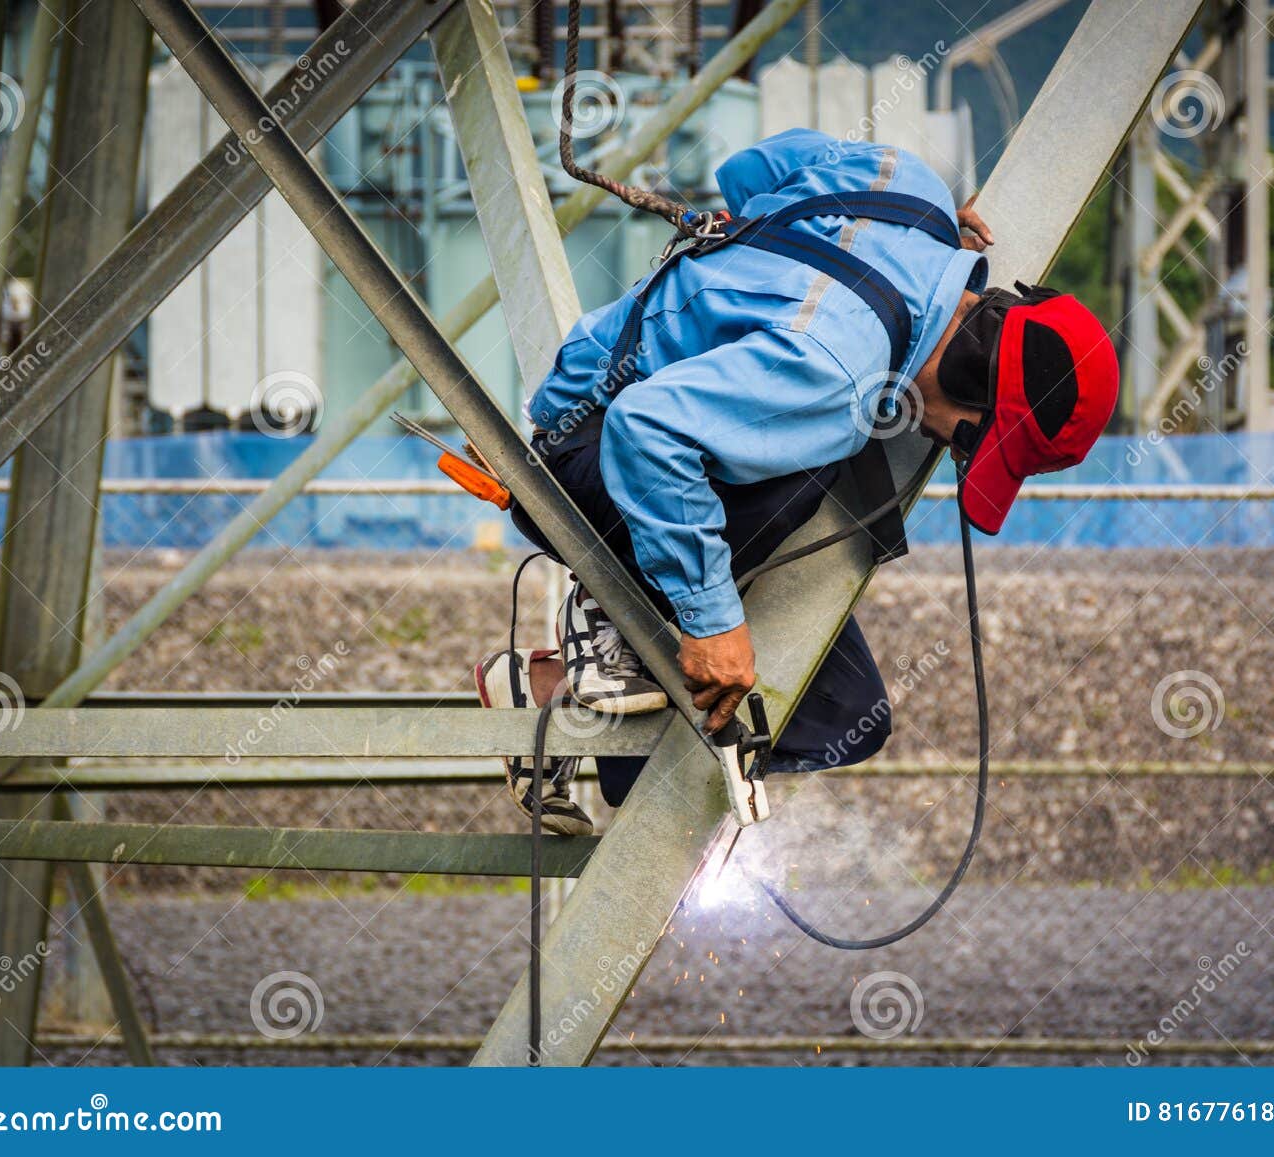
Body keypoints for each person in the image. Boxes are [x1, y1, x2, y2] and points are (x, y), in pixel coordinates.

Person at [476, 129, 1117, 835]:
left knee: (849, 715)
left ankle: (555, 692)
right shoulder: (838, 377)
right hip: (584, 455)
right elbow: (645, 431)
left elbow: (746, 169)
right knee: (824, 466)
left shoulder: (907, 185)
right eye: (973, 438)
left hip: (652, 436)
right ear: (970, 376)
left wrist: (793, 281)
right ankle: (613, 616)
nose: (952, 447)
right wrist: (712, 621)